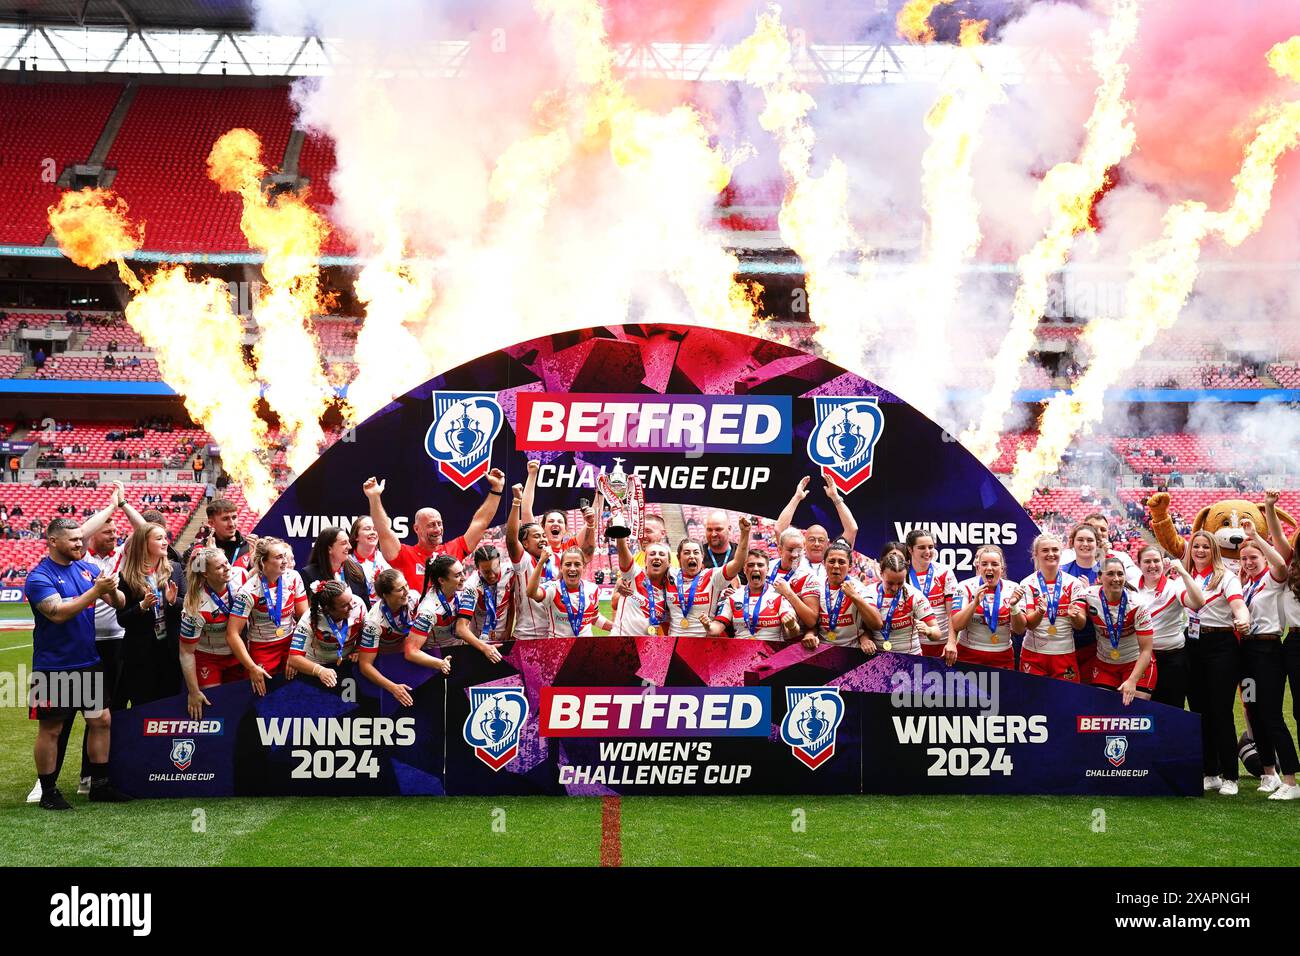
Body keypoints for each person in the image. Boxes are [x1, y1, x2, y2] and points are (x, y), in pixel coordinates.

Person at [25, 517, 131, 809]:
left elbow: (119, 603)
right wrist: (96, 591)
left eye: (80, 539)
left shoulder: (88, 568)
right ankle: (48, 791)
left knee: (101, 720)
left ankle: (99, 783)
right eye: (72, 540)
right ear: (53, 541)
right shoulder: (39, 577)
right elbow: (58, 612)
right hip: (53, 666)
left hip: (88, 661)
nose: (79, 543)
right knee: (52, 729)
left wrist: (110, 588)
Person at [1235, 520, 1299, 799]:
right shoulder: (1244, 584)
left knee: (1272, 715)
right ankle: (1268, 773)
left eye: (1253, 557)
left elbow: (1282, 564)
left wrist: (1256, 538)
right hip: (1246, 654)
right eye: (1244, 558)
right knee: (1253, 711)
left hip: (1268, 652)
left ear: (1262, 557)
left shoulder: (1272, 580)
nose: (1249, 562)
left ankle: (1291, 781)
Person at [1183, 529, 1249, 795]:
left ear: (1214, 551)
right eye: (1196, 546)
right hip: (1192, 644)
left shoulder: (1227, 577)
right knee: (1199, 711)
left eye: (1205, 547)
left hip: (1221, 645)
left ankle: (1231, 775)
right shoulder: (1186, 577)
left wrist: (1243, 619)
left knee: (1220, 711)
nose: (1200, 551)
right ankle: (1210, 771)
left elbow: (1238, 605)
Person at [363, 471, 505, 591]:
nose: (437, 529)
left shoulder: (453, 549)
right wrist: (374, 497)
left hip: (450, 623)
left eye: (439, 524)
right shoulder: (404, 554)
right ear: (416, 529)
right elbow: (383, 530)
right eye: (431, 525)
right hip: (415, 622)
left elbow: (480, 523)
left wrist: (496, 489)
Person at [226, 536, 308, 694]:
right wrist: (252, 667)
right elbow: (232, 634)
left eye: (284, 555)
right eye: (278, 557)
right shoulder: (249, 591)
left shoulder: (294, 577)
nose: (285, 561)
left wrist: (296, 653)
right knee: (262, 697)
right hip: (262, 648)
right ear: (263, 562)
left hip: (291, 642)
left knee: (293, 693)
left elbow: (304, 619)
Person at [114, 522, 185, 706]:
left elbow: (187, 606)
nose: (165, 542)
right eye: (159, 538)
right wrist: (142, 606)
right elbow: (122, 619)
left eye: (165, 538)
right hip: (140, 653)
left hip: (170, 650)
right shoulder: (127, 576)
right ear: (144, 544)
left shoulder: (175, 569)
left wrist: (172, 601)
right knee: (143, 707)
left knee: (170, 705)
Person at [357, 568, 450, 706]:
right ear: (386, 595)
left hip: (411, 656)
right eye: (400, 589)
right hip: (387, 663)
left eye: (406, 585)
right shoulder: (373, 622)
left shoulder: (413, 598)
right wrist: (393, 688)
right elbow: (365, 665)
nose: (407, 591)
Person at [1078, 556, 1156, 705]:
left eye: (1120, 574)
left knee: (1134, 712)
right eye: (1110, 574)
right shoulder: (1088, 596)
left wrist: (1132, 680)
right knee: (1104, 711)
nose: (1116, 578)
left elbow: (1146, 650)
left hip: (1135, 663)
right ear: (1100, 577)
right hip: (1104, 664)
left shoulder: (1138, 604)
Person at [1133, 545, 1204, 710]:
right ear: (1139, 564)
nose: (1152, 565)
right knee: (1142, 712)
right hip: (1140, 660)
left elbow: (1198, 602)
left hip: (1172, 660)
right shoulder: (1131, 587)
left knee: (1172, 710)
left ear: (1163, 563)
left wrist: (1183, 572)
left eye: (1156, 560)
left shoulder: (1174, 587)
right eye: (1147, 561)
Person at [177, 548, 243, 719]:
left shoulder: (240, 576)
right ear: (205, 574)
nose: (228, 568)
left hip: (237, 654)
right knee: (215, 707)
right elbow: (186, 652)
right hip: (208, 658)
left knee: (239, 704)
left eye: (227, 563)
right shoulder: (195, 605)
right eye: (220, 567)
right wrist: (193, 691)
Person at [946, 544, 1030, 670]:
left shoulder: (1014, 588)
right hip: (969, 655)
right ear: (978, 567)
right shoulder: (965, 587)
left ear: (1002, 568)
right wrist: (974, 604)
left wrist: (1013, 607)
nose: (989, 568)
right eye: (984, 564)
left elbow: (1019, 630)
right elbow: (957, 624)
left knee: (1001, 690)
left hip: (1002, 656)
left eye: (994, 564)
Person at [789, 539, 883, 651]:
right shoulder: (815, 586)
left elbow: (877, 624)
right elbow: (813, 624)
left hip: (852, 650)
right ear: (824, 564)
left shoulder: (858, 588)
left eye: (842, 562)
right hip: (822, 649)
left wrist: (854, 596)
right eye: (832, 561)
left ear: (850, 566)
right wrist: (810, 635)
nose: (836, 566)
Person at [1019, 534, 1088, 682]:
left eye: (1055, 550)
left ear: (1061, 552)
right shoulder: (1027, 583)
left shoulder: (1074, 584)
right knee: (1032, 702)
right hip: (1033, 655)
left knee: (1065, 703)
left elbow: (1080, 625)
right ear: (1036, 554)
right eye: (1045, 550)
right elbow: (1029, 625)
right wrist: (1040, 612)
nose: (1051, 554)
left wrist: (1074, 616)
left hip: (1065, 654)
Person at [667, 520, 751, 637]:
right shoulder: (670, 575)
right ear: (678, 557)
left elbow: (738, 562)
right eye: (687, 552)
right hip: (674, 641)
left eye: (696, 552)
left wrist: (745, 533)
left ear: (702, 556)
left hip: (705, 642)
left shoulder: (713, 576)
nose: (692, 556)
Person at [411, 555, 502, 662]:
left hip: (459, 653)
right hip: (438, 660)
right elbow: (411, 651)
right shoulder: (428, 610)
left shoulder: (463, 592)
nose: (464, 578)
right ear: (442, 580)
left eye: (463, 572)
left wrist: (484, 646)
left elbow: (462, 627)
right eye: (458, 575)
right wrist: (439, 664)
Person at [775, 474, 860, 579]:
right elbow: (779, 529)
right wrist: (796, 498)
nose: (816, 544)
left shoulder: (835, 562)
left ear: (828, 543)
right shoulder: (795, 560)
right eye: (812, 539)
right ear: (804, 542)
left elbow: (852, 529)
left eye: (821, 540)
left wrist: (835, 497)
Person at [286, 580, 367, 689]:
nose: (352, 606)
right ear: (328, 609)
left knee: (350, 701)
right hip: (318, 666)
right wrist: (320, 671)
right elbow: (294, 658)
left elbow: (366, 631)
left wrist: (358, 649)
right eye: (344, 605)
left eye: (351, 600)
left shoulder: (359, 605)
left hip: (346, 662)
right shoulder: (310, 619)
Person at [506, 482, 562, 639]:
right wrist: (517, 501)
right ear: (525, 543)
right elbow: (511, 539)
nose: (543, 539)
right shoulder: (523, 560)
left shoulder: (557, 559)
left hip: (553, 634)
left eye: (544, 535)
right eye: (537, 536)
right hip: (527, 635)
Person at [710, 550, 800, 642]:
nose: (755, 569)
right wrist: (708, 626)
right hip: (742, 653)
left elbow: (793, 634)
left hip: (772, 653)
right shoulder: (733, 597)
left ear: (767, 570)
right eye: (751, 565)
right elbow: (717, 628)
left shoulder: (779, 595)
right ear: (744, 569)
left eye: (760, 565)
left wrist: (792, 626)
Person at [527, 545, 613, 637]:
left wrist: (618, 628)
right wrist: (540, 563)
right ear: (561, 568)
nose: (572, 569)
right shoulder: (552, 588)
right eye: (568, 564)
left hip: (585, 648)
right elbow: (531, 593)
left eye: (577, 564)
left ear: (584, 567)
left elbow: (594, 618)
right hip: (559, 649)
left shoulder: (593, 588)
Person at [865, 551, 940, 656]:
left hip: (911, 657)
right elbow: (863, 628)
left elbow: (937, 633)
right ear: (881, 574)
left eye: (900, 583)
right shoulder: (868, 593)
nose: (895, 588)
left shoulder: (914, 595)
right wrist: (865, 639)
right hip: (879, 659)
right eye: (890, 583)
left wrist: (929, 630)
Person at [904, 529, 958, 658]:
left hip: (942, 641)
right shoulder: (902, 572)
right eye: (921, 547)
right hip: (912, 643)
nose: (928, 552)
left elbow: (952, 612)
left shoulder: (944, 572)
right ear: (910, 549)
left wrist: (951, 642)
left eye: (931, 547)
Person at [1061, 522, 1103, 683]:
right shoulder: (1062, 571)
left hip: (1096, 646)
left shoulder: (1108, 572)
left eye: (1090, 540)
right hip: (1066, 643)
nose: (1085, 544)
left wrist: (1090, 593)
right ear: (1072, 542)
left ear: (1097, 543)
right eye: (1080, 540)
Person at [611, 530, 672, 637]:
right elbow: (622, 549)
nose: (657, 557)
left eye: (662, 554)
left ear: (669, 563)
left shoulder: (672, 590)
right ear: (645, 561)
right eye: (652, 554)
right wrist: (620, 533)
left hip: (648, 648)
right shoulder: (634, 575)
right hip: (621, 643)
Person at [188, 498, 254, 583]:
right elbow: (194, 582)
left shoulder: (249, 547)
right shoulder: (200, 549)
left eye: (234, 517)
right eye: (225, 519)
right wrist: (207, 558)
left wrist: (256, 564)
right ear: (211, 523)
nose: (232, 524)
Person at [300, 525, 368, 606]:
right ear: (329, 549)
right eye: (344, 543)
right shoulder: (308, 574)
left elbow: (366, 606)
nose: (349, 547)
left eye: (348, 542)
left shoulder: (357, 570)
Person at [464, 544, 513, 643]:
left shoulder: (510, 572)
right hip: (479, 641)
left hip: (503, 639)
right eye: (486, 572)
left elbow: (512, 603)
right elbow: (463, 625)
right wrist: (480, 646)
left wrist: (508, 630)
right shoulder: (471, 585)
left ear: (499, 563)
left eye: (495, 569)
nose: (491, 576)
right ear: (477, 568)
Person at [348, 515, 389, 602]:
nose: (373, 532)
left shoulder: (386, 560)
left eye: (375, 529)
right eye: (367, 529)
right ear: (356, 536)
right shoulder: (346, 561)